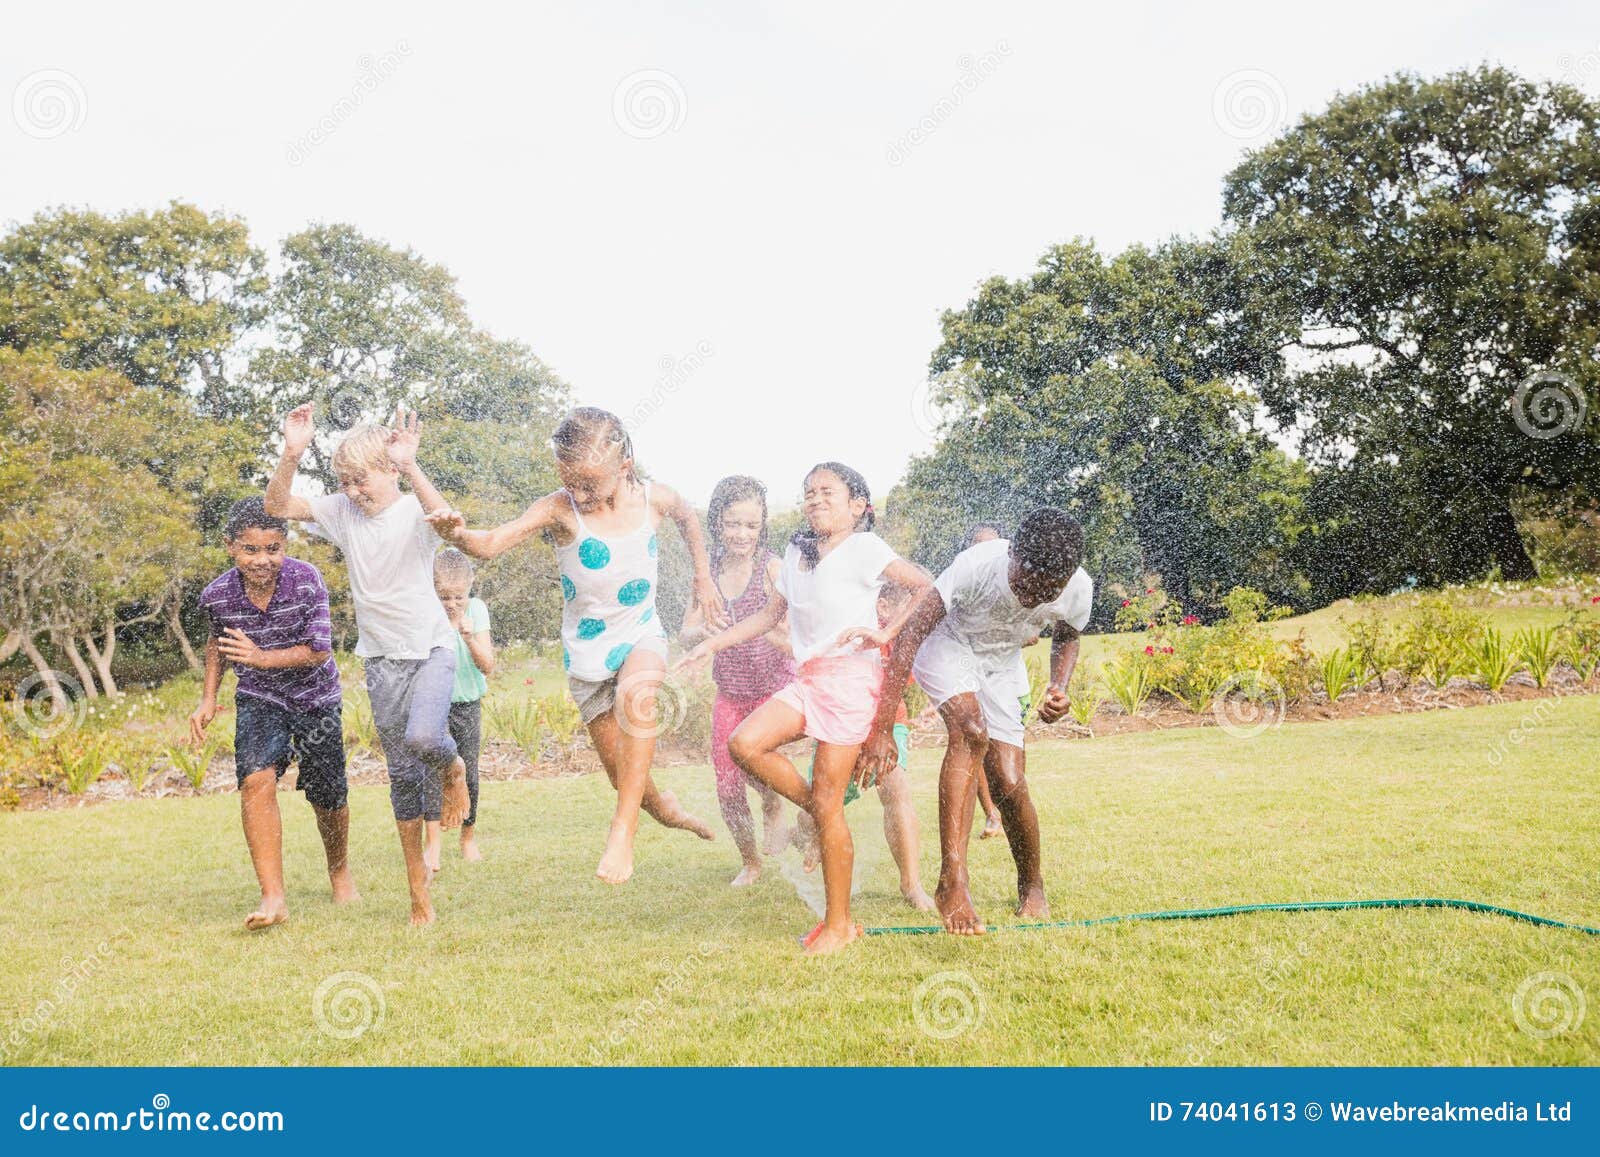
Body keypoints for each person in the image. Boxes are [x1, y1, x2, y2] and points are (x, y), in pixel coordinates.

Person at [429, 407, 722, 884]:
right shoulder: (558, 507)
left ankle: (621, 833)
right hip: (587, 659)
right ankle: (664, 810)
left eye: (589, 483)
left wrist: (702, 577)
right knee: (628, 780)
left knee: (638, 696)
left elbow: (690, 518)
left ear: (624, 464)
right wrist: (456, 533)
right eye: (570, 481)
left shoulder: (654, 499)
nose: (579, 494)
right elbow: (489, 543)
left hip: (640, 632)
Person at [677, 462, 931, 955]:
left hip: (851, 685)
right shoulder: (797, 553)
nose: (815, 500)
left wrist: (885, 632)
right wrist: (710, 646)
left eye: (828, 492)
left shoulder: (865, 548)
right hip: (809, 680)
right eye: (809, 493)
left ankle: (839, 925)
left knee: (830, 805)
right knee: (744, 744)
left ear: (858, 506)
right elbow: (768, 617)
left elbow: (924, 586)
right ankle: (819, 809)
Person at [265, 403, 467, 925]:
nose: (354, 491)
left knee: (425, 738)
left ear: (389, 471)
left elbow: (448, 525)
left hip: (432, 648)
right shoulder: (342, 511)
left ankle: (454, 767)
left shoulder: (413, 510)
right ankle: (418, 896)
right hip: (381, 660)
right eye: (345, 482)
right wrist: (291, 453)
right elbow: (278, 504)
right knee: (401, 774)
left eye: (361, 480)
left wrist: (413, 466)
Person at [858, 508, 1092, 936]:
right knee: (969, 729)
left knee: (1007, 779)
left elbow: (1068, 634)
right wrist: (881, 727)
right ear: (1012, 555)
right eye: (1027, 580)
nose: (1035, 595)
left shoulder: (1077, 587)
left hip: (1002, 662)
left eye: (1049, 588)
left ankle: (1032, 884)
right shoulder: (976, 566)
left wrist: (1059, 685)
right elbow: (911, 635)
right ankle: (953, 881)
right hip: (948, 644)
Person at [190, 497, 355, 930]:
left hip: (316, 698)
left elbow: (320, 652)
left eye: (273, 548)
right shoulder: (217, 595)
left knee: (328, 796)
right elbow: (217, 644)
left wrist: (261, 657)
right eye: (251, 550)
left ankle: (339, 871)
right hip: (261, 699)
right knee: (255, 780)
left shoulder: (306, 581)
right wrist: (209, 698)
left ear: (285, 544)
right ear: (230, 547)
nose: (263, 559)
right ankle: (273, 897)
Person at [679, 475, 795, 886]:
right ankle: (750, 861)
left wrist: (758, 629)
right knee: (728, 785)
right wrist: (705, 634)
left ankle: (773, 804)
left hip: (773, 691)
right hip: (730, 692)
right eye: (732, 524)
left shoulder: (773, 568)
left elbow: (795, 637)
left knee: (759, 769)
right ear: (717, 523)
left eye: (750, 525)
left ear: (762, 525)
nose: (741, 534)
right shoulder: (706, 573)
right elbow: (686, 631)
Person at [428, 548, 496, 868]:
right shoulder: (426, 612)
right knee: (436, 769)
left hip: (466, 704)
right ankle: (433, 843)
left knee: (468, 770)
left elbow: (488, 666)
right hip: (433, 704)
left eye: (458, 596)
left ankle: (468, 837)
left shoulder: (477, 610)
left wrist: (468, 638)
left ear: (470, 587)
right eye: (444, 596)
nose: (452, 604)